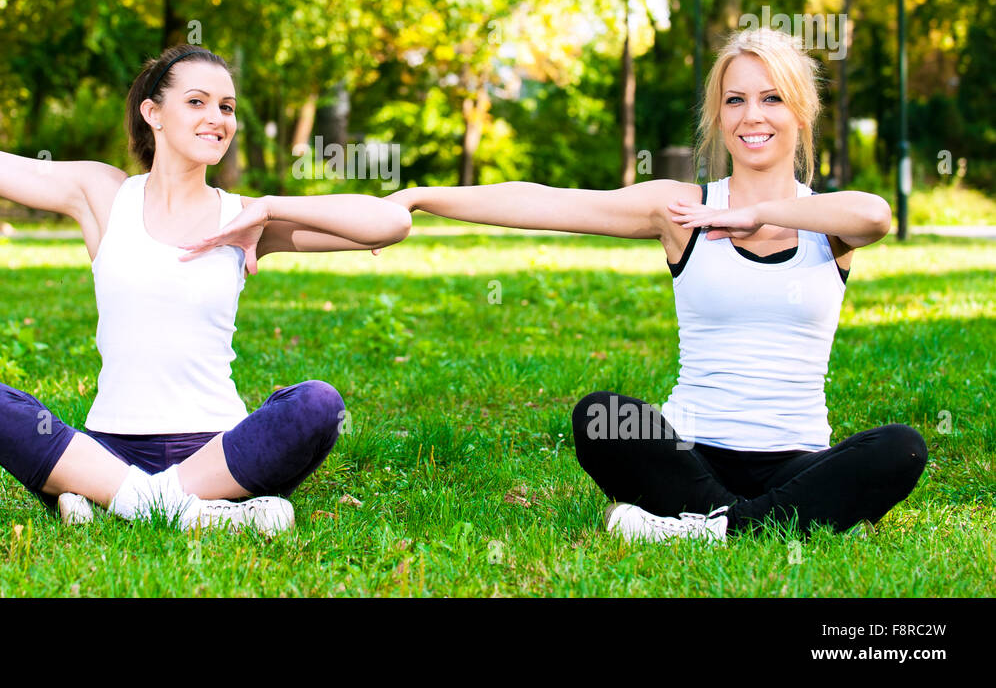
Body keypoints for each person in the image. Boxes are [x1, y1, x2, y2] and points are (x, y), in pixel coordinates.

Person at [0, 43, 411, 536]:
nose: (218, 117)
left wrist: (267, 205)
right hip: (108, 446)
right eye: (198, 101)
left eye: (227, 106)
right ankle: (187, 511)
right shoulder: (100, 194)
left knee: (315, 406)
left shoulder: (245, 217)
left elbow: (385, 225)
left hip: (219, 451)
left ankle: (138, 502)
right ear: (153, 112)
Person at [383, 28, 927, 543]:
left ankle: (704, 526)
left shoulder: (826, 222)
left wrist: (759, 212)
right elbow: (551, 202)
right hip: (690, 453)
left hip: (797, 457)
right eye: (735, 100)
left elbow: (875, 215)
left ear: (801, 113)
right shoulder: (684, 209)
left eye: (772, 98)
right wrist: (421, 197)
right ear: (718, 114)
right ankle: (756, 521)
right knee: (600, 416)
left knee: (901, 449)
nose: (752, 116)